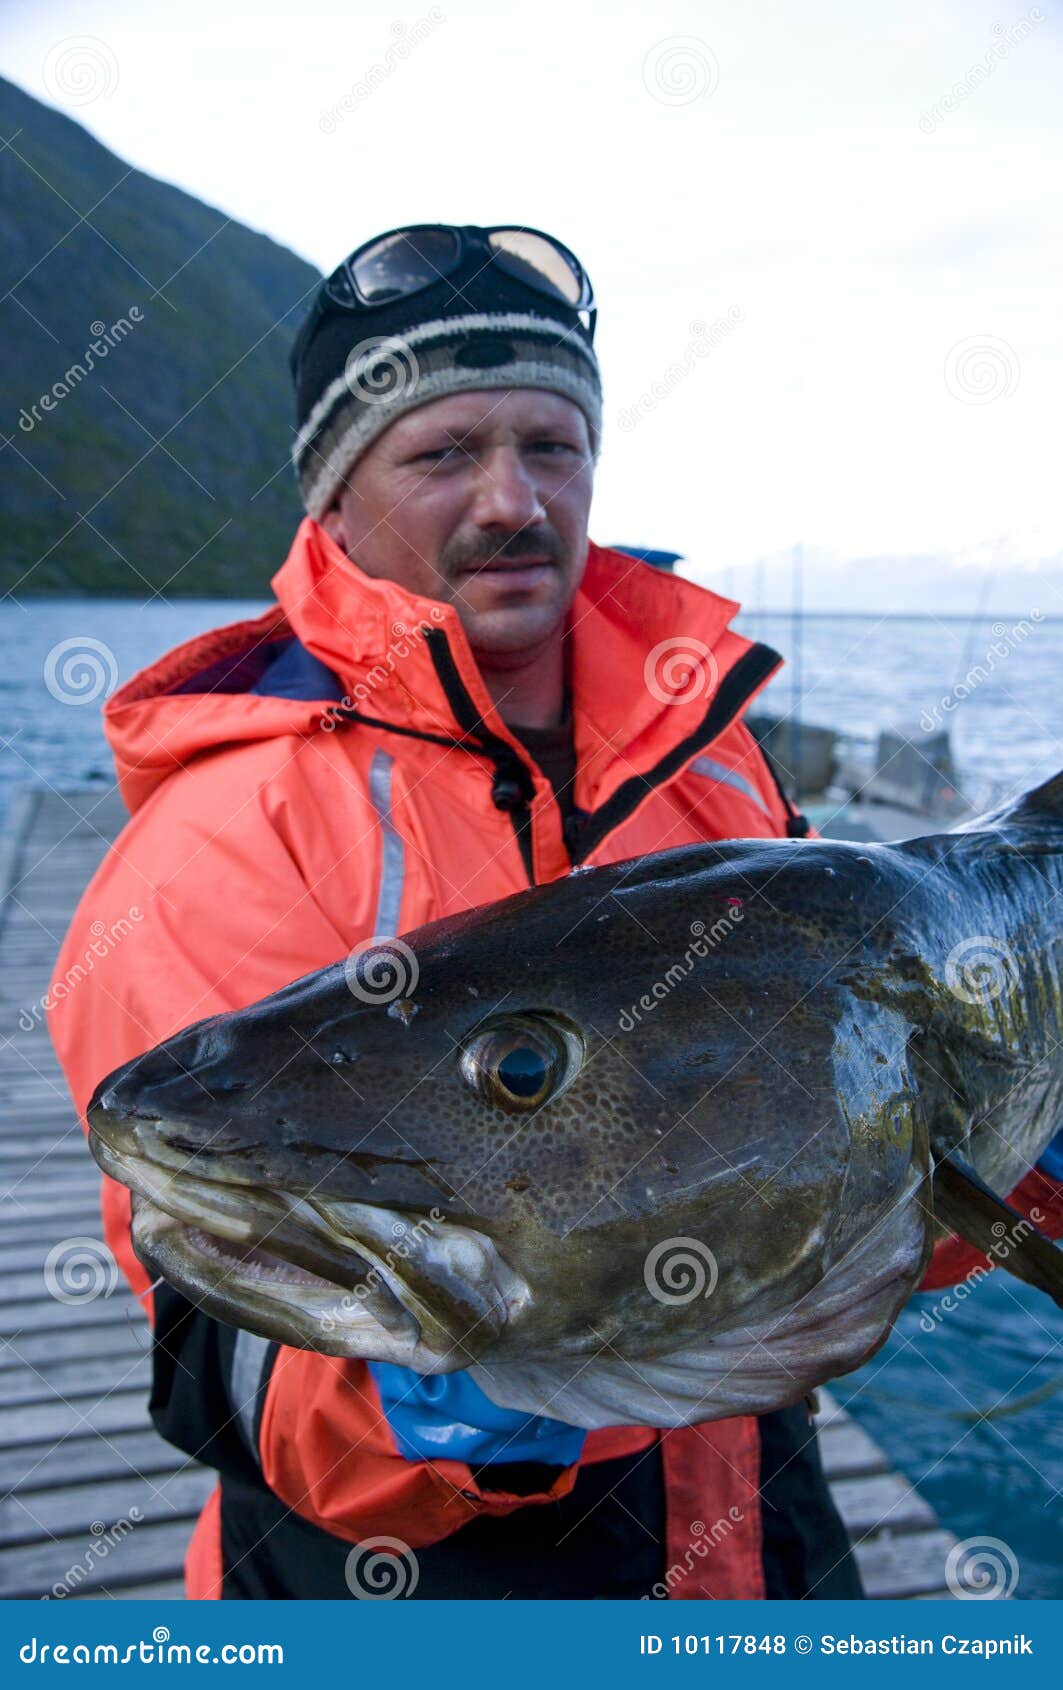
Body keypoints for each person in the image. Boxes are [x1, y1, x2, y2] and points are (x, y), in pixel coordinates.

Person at [48, 223, 1063, 1601]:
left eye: (553, 444)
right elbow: (226, 1361)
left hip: (761, 1540)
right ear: (331, 503)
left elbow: (857, 1171)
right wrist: (436, 1395)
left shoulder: (716, 760)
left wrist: (1020, 1171)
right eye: (443, 453)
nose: (514, 499)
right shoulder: (223, 840)